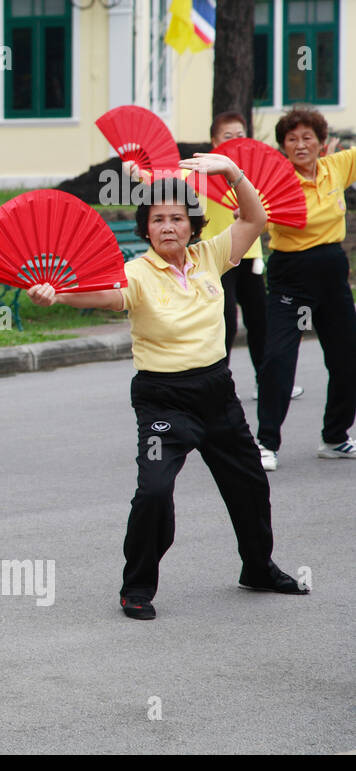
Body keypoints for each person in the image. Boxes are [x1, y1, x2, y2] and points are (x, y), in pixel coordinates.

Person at [27, 156, 307, 619]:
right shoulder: (137, 273)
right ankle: (136, 588)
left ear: (192, 225)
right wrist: (57, 294)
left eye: (177, 218)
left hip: (218, 393)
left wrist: (232, 173)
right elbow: (106, 295)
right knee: (154, 492)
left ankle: (257, 568)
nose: (168, 227)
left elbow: (256, 219)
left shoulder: (210, 256)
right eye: (158, 220)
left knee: (251, 484)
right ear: (147, 229)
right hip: (164, 400)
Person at [254, 106, 356, 469]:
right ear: (283, 145)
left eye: (307, 138)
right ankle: (266, 443)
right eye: (292, 139)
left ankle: (335, 437)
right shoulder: (274, 179)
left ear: (322, 143)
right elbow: (251, 211)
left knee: (347, 360)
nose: (300, 145)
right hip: (291, 278)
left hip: (332, 275)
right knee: (279, 360)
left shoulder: (336, 168)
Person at [201, 112, 302, 403]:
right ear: (214, 141)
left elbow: (268, 208)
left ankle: (266, 382)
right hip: (217, 255)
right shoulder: (202, 170)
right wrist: (140, 175)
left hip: (251, 254)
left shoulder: (251, 172)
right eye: (227, 136)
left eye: (239, 135)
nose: (234, 141)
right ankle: (217, 383)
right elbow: (168, 180)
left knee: (260, 320)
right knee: (226, 321)